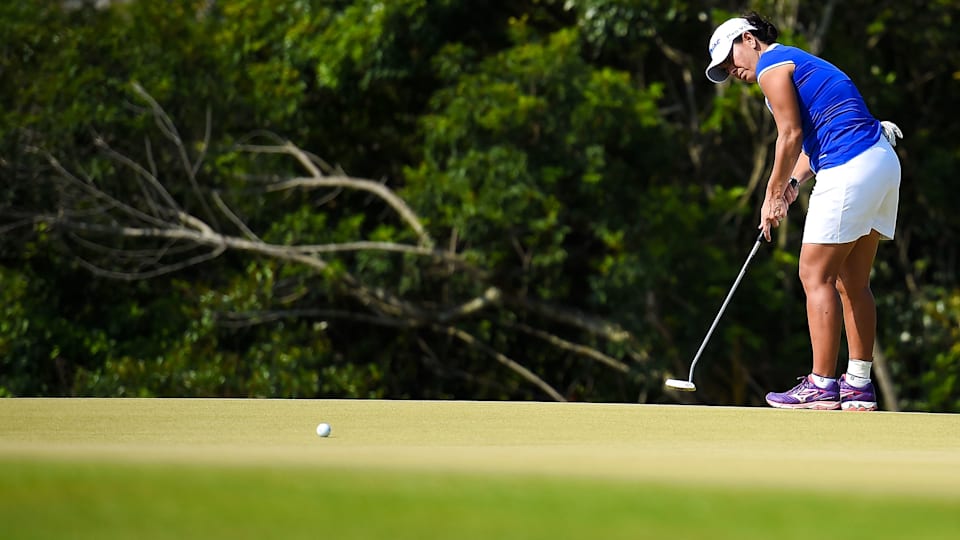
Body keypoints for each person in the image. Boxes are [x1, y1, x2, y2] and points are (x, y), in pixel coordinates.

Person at [704, 12, 902, 410]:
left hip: (850, 165)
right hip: (880, 161)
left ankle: (822, 384)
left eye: (731, 57)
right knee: (852, 281)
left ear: (749, 38)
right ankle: (859, 386)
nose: (732, 69)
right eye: (724, 69)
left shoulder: (771, 67)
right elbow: (812, 142)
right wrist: (791, 185)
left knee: (814, 273)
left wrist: (772, 195)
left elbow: (790, 134)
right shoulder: (796, 62)